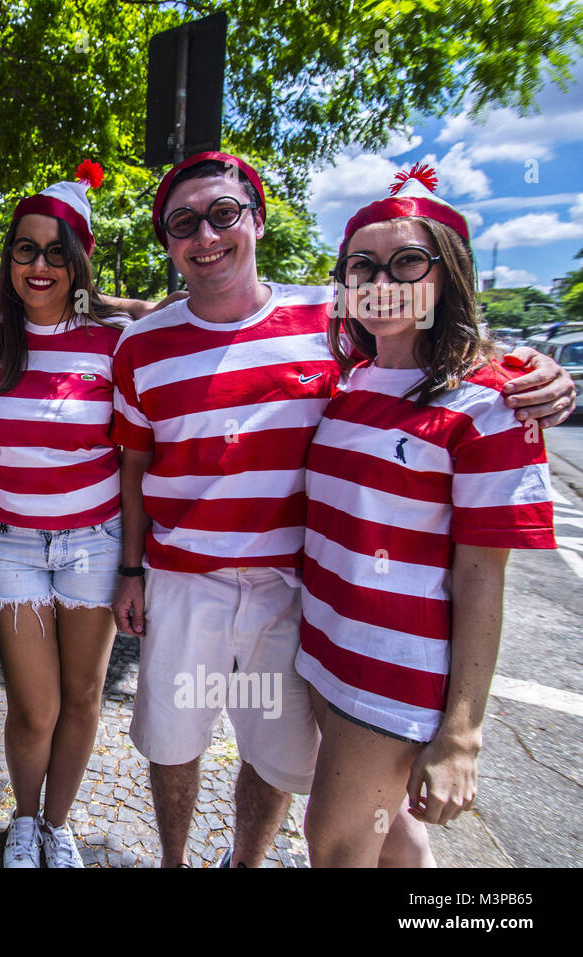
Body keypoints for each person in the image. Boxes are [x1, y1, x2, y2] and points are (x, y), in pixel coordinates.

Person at [111, 151, 574, 868]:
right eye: (184, 222)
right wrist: (132, 569)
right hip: (193, 584)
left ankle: (245, 861)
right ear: (168, 242)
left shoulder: (327, 321)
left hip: (294, 593)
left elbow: (438, 351)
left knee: (278, 763)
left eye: (224, 213)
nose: (206, 235)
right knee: (175, 745)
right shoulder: (142, 347)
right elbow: (135, 463)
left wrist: (530, 366)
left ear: (257, 221)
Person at [295, 165, 555, 866]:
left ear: (448, 272)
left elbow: (481, 577)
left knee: (334, 843)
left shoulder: (491, 404)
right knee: (396, 838)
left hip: (393, 675)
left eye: (408, 260)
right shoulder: (346, 385)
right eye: (362, 265)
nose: (382, 279)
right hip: (323, 647)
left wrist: (462, 734)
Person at [0, 161, 129, 867]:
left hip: (95, 542)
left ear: (79, 261)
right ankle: (23, 817)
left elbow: (139, 451)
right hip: (12, 544)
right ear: (9, 256)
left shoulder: (115, 341)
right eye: (25, 248)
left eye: (56, 251)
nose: (39, 265)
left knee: (82, 697)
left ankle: (56, 825)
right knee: (34, 707)